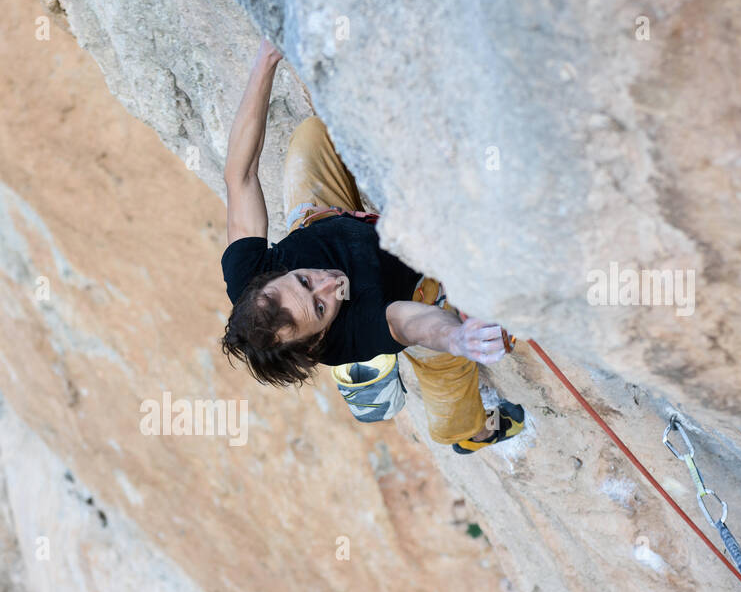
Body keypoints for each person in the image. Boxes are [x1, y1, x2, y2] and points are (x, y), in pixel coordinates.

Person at [219, 39, 525, 454]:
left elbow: (240, 174)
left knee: (313, 136)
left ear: (267, 278)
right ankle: (467, 432)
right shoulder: (351, 334)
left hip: (332, 222)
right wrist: (457, 338)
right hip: (408, 285)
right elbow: (409, 323)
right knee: (443, 360)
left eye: (305, 280)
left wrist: (266, 58)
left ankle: (372, 367)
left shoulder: (249, 283)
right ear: (314, 341)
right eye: (321, 307)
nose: (330, 283)